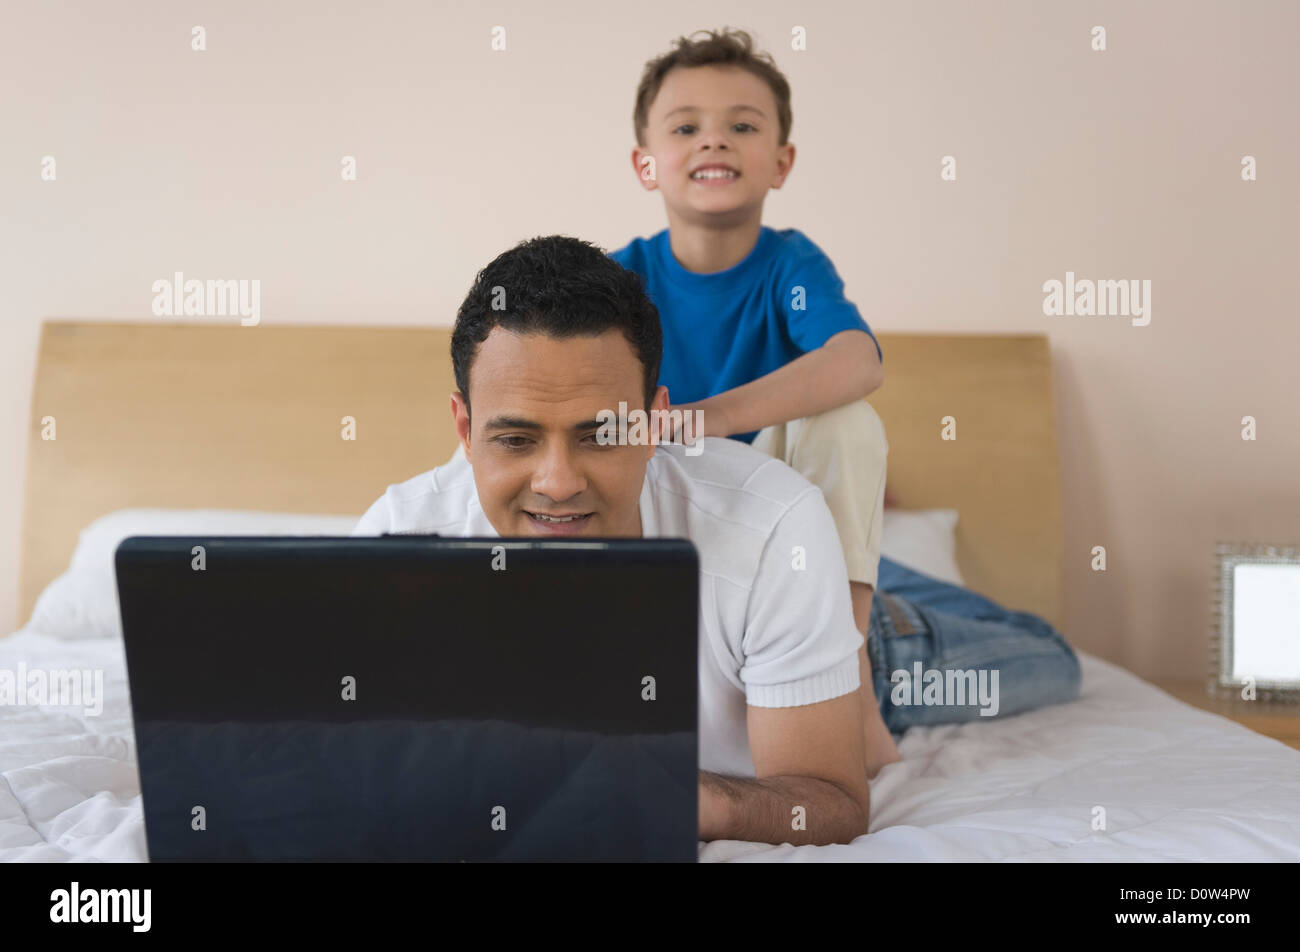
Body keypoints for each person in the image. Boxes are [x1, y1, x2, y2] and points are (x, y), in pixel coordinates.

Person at [353, 235, 1082, 846]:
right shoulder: (397, 539)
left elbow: (830, 799)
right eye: (514, 438)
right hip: (784, 602)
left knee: (1055, 661)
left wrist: (680, 794)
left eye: (602, 435)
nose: (558, 482)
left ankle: (880, 589)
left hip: (876, 653)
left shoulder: (771, 530)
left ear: (657, 418)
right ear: (462, 428)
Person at [610, 27, 894, 766]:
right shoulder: (616, 281)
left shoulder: (790, 266)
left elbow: (858, 359)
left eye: (742, 125)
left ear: (781, 162)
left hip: (795, 557)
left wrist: (704, 420)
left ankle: (852, 666)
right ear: (646, 165)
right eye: (686, 127)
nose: (715, 143)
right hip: (680, 528)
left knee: (846, 418)